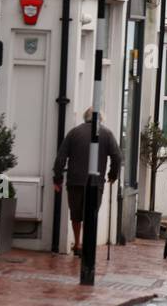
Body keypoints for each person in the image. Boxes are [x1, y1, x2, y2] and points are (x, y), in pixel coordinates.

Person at [52, 107, 122, 255]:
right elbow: (117, 157)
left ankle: (77, 243)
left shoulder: (74, 133)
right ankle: (87, 244)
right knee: (91, 214)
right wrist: (112, 175)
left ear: (85, 118)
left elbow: (60, 158)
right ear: (100, 119)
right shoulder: (107, 134)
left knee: (76, 214)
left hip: (75, 181)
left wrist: (57, 179)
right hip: (96, 183)